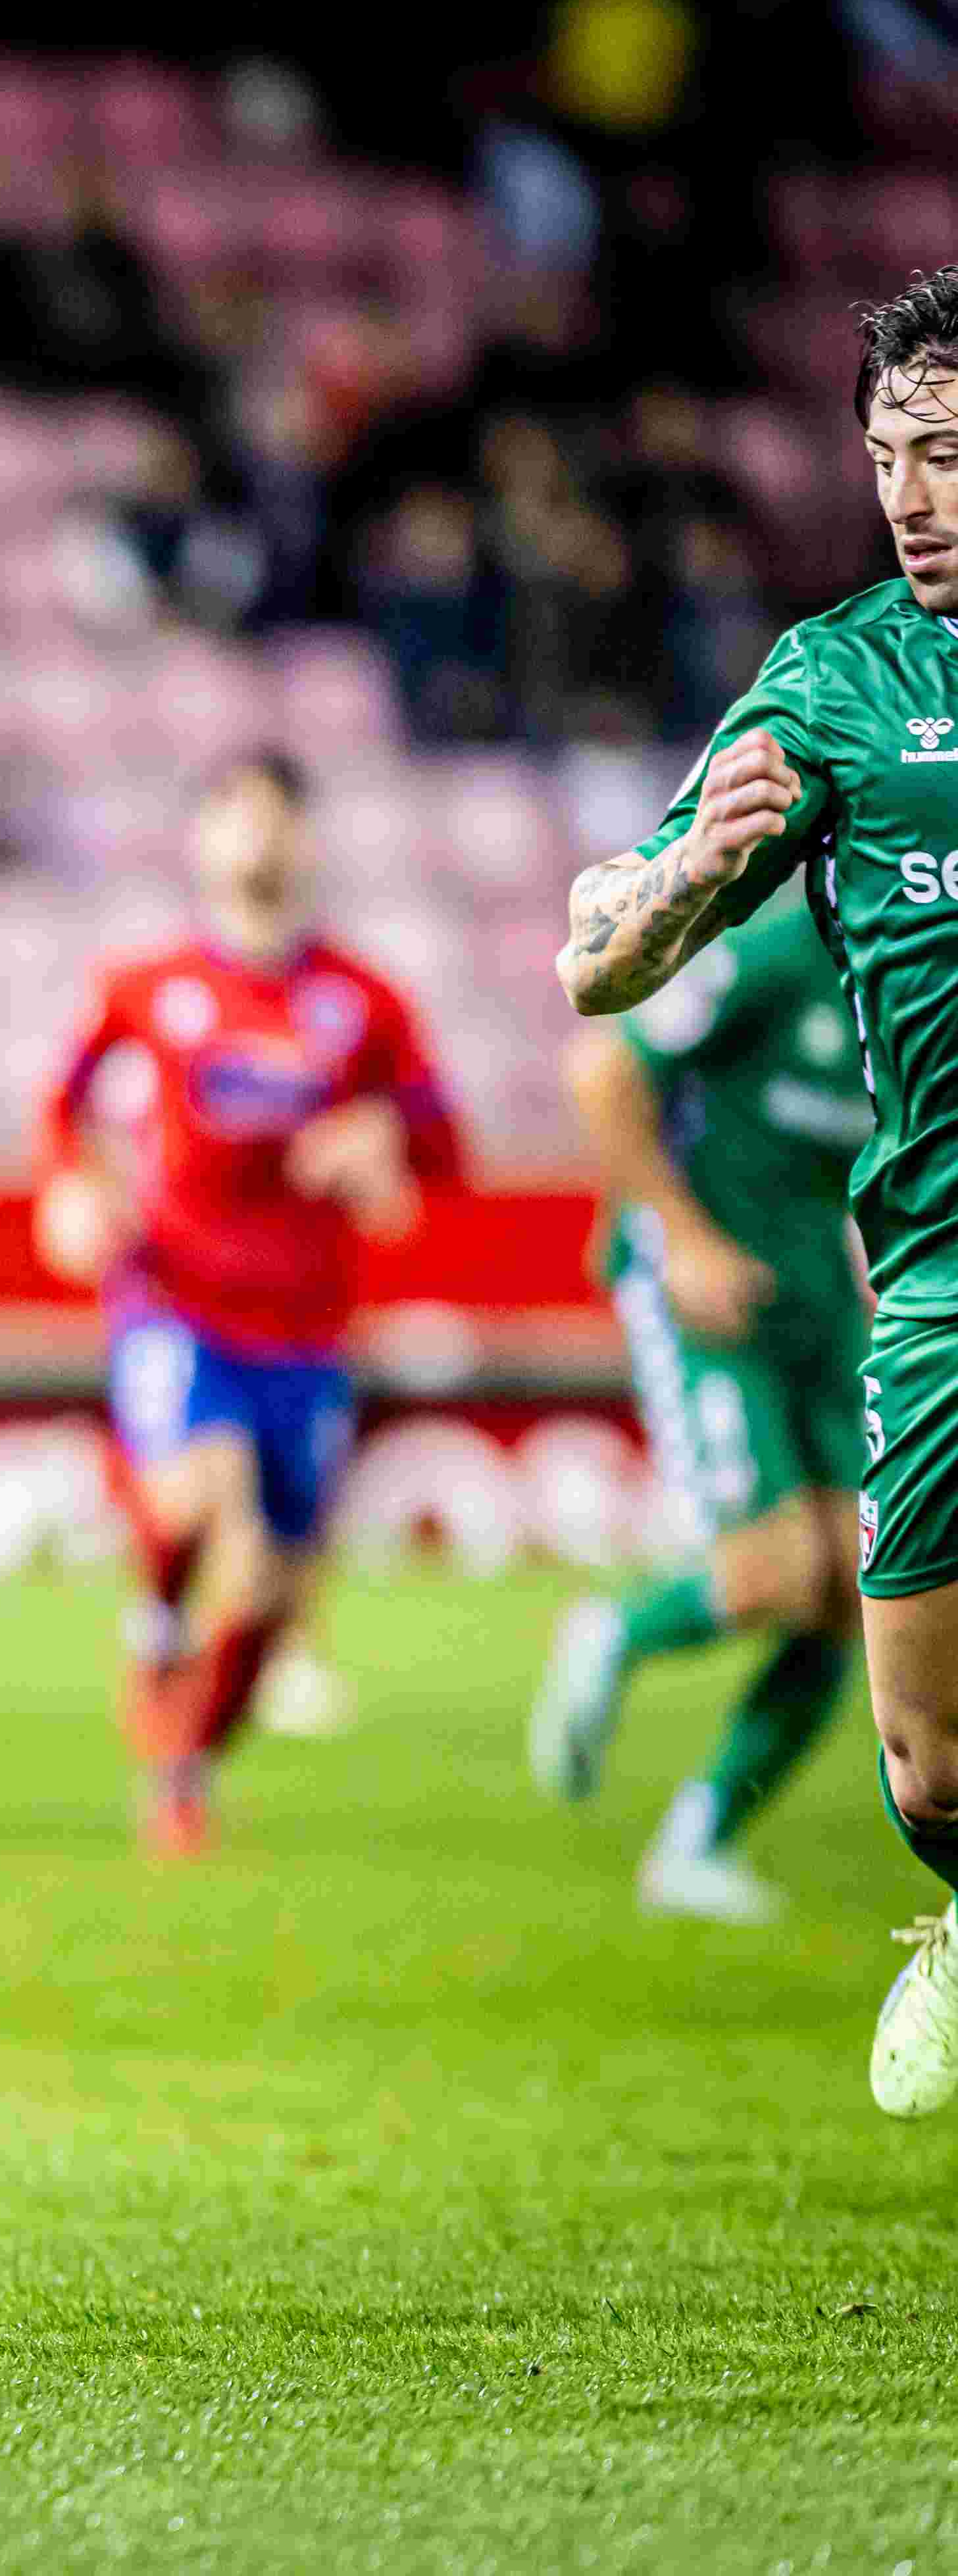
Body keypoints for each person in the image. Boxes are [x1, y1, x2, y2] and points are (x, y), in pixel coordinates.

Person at [552, 270, 958, 2114]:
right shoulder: (834, 682)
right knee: (928, 1761)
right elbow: (599, 975)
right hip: (924, 1273)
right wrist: (680, 887)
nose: (912, 492)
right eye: (888, 455)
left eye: (944, 452)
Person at [36, 750, 467, 1856]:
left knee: (272, 1588)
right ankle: (157, 1621)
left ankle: (184, 1768)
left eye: (278, 818)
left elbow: (444, 1143)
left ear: (308, 840)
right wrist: (76, 1189)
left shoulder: (363, 1003)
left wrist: (382, 1144)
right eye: (236, 818)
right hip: (177, 1300)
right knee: (201, 1490)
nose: (259, 840)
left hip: (308, 1325)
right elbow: (62, 1103)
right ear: (202, 843)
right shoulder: (147, 987)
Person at [531, 897, 869, 1923]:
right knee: (773, 1573)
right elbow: (601, 1070)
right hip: (705, 1291)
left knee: (862, 1591)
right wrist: (679, 1235)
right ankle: (616, 1634)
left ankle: (697, 1842)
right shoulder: (780, 953)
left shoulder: (914, 978)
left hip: (823, 1298)